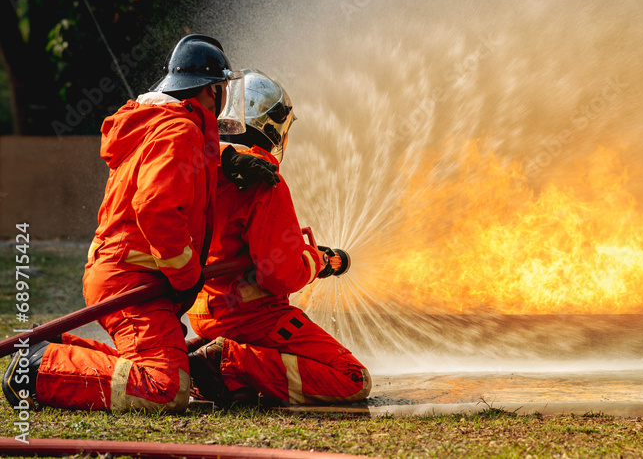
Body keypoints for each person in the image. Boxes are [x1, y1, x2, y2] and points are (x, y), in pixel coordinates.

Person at [2, 35, 277, 412]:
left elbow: (180, 170)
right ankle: (36, 369)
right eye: (223, 90)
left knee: (157, 368)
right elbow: (156, 207)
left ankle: (52, 351)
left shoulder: (162, 125)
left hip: (125, 274)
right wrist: (186, 274)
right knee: (166, 387)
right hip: (131, 280)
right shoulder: (179, 132)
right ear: (212, 91)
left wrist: (227, 159)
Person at [186, 69, 370, 406]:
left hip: (204, 315)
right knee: (351, 379)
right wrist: (316, 260)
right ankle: (227, 359)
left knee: (245, 392)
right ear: (274, 127)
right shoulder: (263, 178)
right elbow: (278, 274)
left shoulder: (199, 165)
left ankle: (214, 363)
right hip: (255, 319)